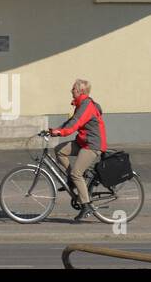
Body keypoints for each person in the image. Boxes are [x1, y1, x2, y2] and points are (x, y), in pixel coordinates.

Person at [46, 79, 107, 222]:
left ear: (81, 91)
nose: (71, 90)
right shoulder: (81, 105)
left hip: (92, 144)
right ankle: (73, 181)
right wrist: (54, 130)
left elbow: (74, 124)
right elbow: (70, 122)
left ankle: (87, 205)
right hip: (83, 141)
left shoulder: (87, 105)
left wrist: (60, 132)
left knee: (76, 173)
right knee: (60, 150)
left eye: (73, 88)